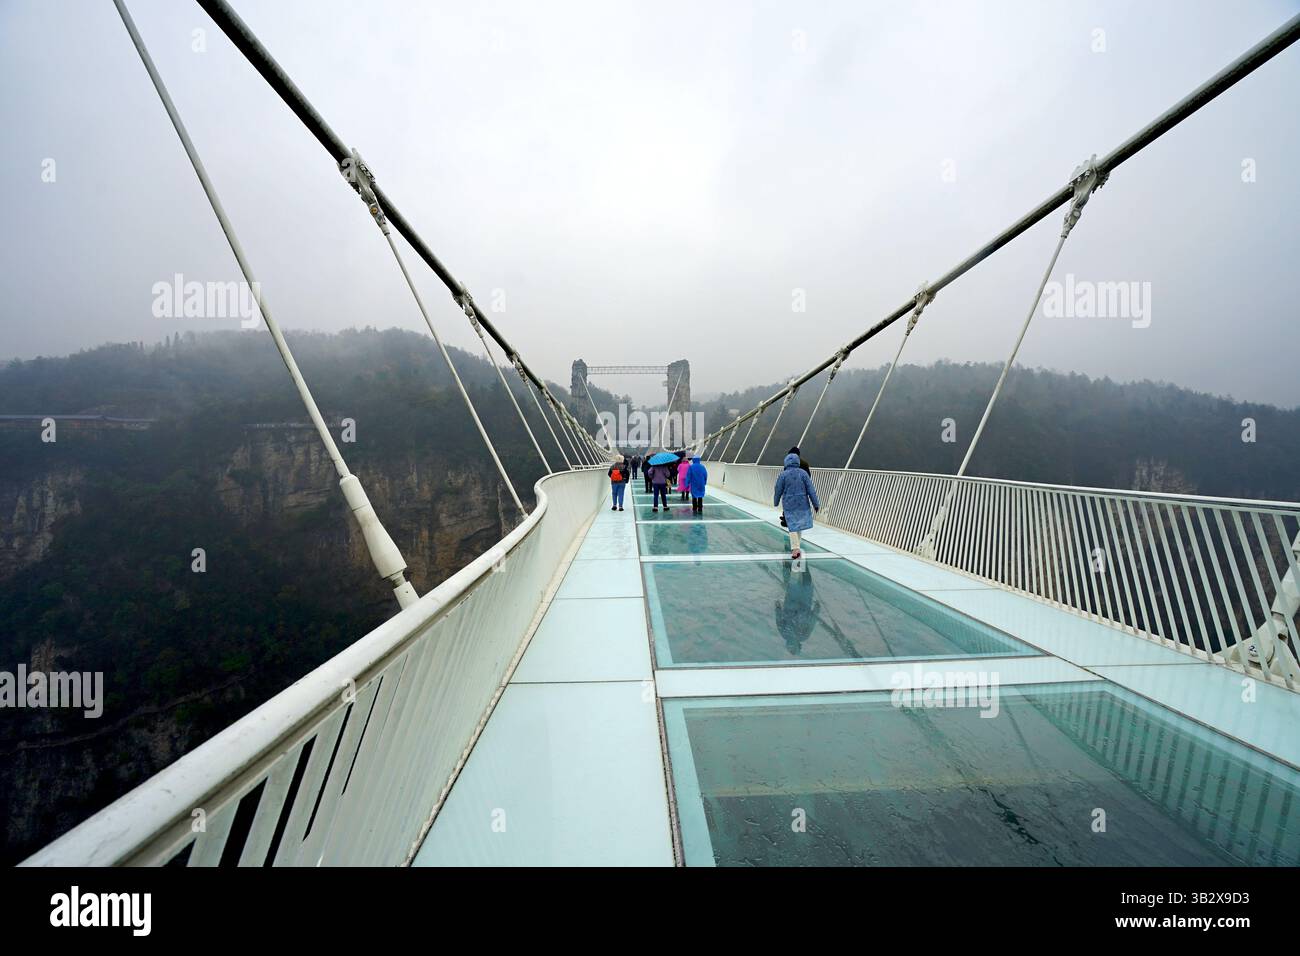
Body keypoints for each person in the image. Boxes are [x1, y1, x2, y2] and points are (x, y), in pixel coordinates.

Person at [774, 452, 820, 559]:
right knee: (798, 525)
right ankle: (796, 547)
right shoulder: (803, 473)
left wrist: (776, 502)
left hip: (789, 504)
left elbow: (778, 489)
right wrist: (816, 504)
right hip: (802, 503)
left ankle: (796, 549)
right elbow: (811, 490)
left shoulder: (783, 475)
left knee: (792, 525)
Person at [779, 446, 812, 528]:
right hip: (801, 488)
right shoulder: (804, 463)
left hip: (790, 487)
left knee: (788, 502)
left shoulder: (788, 463)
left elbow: (785, 474)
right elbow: (808, 476)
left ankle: (787, 519)